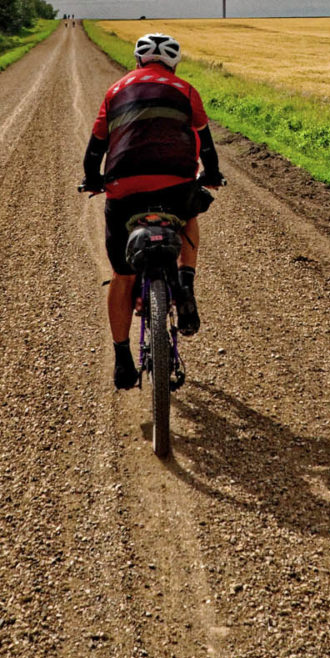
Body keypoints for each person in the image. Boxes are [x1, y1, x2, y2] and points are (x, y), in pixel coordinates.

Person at [81, 32, 224, 390]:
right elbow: (206, 146)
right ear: (173, 63)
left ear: (138, 61)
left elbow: (95, 150)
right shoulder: (186, 90)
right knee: (189, 213)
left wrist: (92, 181)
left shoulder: (115, 91)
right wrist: (212, 176)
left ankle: (122, 360)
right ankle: (186, 284)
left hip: (124, 190)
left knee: (122, 275)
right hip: (174, 184)